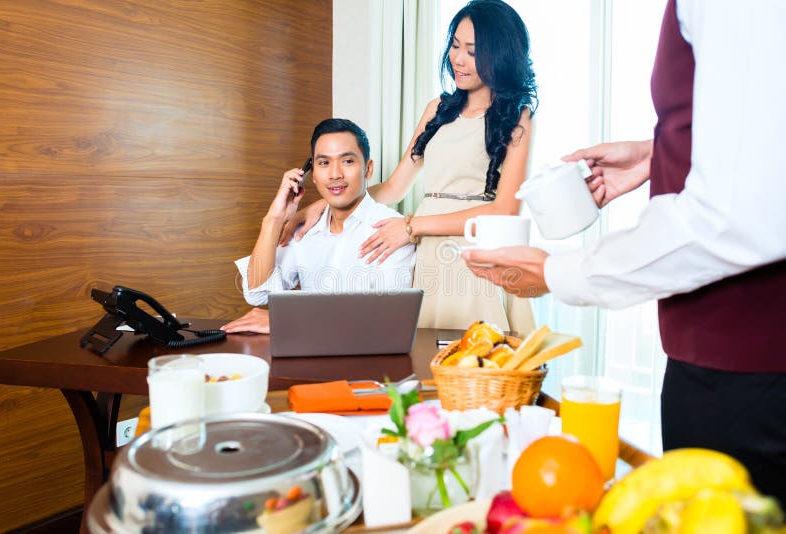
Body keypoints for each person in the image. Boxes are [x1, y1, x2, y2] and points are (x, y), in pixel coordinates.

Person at [463, 0, 786, 504]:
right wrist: (660, 154)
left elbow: (730, 216)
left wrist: (559, 272)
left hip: (750, 364)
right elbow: (763, 138)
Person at [282, 0, 538, 335]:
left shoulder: (518, 117)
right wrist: (321, 205)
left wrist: (412, 226)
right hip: (429, 250)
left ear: (500, 55)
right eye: (455, 45)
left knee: (481, 361)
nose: (457, 59)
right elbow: (393, 187)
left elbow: (505, 211)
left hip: (479, 251)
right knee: (426, 357)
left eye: (473, 51)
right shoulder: (438, 109)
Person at [221, 118, 416, 334]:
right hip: (306, 355)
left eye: (348, 161)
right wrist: (274, 220)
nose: (335, 174)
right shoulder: (305, 229)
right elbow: (257, 293)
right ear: (312, 173)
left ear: (368, 169)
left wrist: (288, 320)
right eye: (324, 163)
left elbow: (387, 319)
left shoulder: (392, 230)